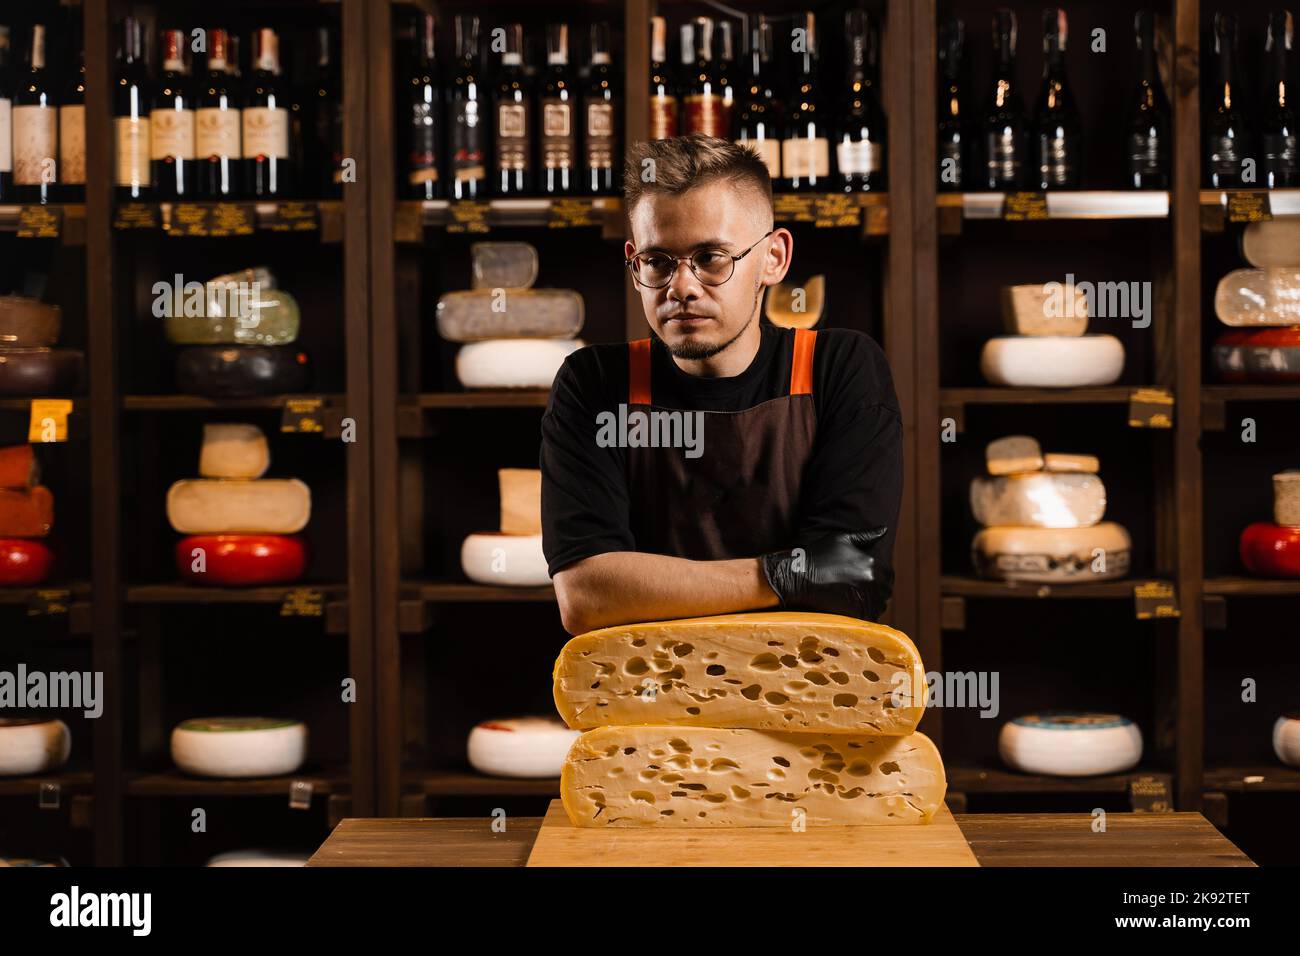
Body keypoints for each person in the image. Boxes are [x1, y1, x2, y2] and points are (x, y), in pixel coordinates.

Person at [540, 134, 902, 636]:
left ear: (773, 258)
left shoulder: (839, 368)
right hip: (644, 703)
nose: (682, 287)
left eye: (711, 257)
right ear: (634, 260)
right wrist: (794, 572)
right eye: (658, 261)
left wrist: (645, 587)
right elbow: (585, 597)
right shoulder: (595, 385)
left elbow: (853, 582)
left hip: (802, 696)